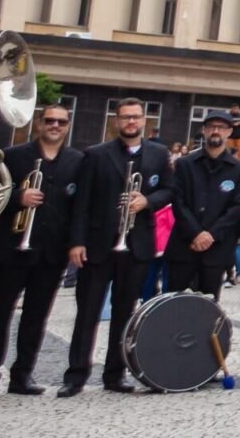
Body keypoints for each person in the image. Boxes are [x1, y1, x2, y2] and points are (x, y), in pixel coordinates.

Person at [58, 98, 173, 399]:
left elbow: (169, 190)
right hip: (98, 245)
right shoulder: (95, 155)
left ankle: (115, 374)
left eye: (135, 117)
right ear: (116, 121)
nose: (131, 122)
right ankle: (76, 375)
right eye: (125, 117)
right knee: (87, 314)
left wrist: (147, 201)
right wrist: (77, 241)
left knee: (124, 313)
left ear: (144, 120)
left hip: (136, 246)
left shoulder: (159, 154)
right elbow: (81, 202)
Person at [0, 104, 81, 402]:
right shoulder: (14, 155)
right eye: (49, 121)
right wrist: (18, 197)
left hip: (51, 252)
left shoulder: (77, 160)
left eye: (61, 121)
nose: (55, 125)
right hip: (12, 248)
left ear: (68, 125)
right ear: (39, 124)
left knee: (36, 316)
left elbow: (79, 209)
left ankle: (22, 375)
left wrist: (74, 243)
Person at [167, 113, 240, 297]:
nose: (216, 131)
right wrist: (196, 233)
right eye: (211, 127)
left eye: (221, 127)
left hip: (215, 249)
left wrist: (210, 235)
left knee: (208, 308)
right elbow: (178, 201)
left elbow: (235, 208)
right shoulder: (184, 164)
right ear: (204, 131)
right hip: (184, 245)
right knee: (173, 305)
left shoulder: (238, 169)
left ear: (229, 132)